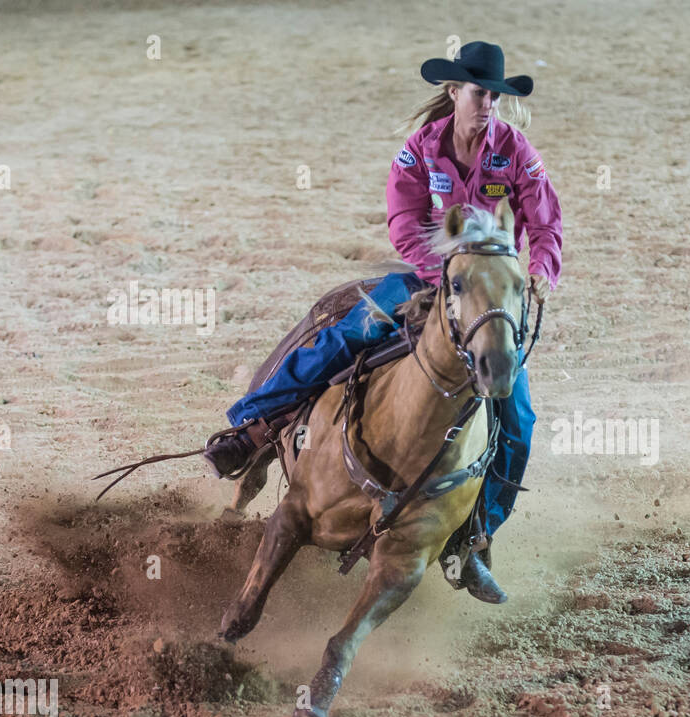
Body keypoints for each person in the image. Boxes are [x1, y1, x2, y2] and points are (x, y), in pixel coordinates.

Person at [203, 41, 562, 603]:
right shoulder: (419, 150)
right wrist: (441, 275)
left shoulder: (516, 152)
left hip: (487, 295)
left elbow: (545, 223)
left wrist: (539, 270)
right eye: (478, 92)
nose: (488, 102)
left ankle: (471, 540)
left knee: (518, 419)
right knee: (348, 333)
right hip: (426, 277)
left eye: (494, 94)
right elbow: (401, 221)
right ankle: (253, 430)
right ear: (453, 92)